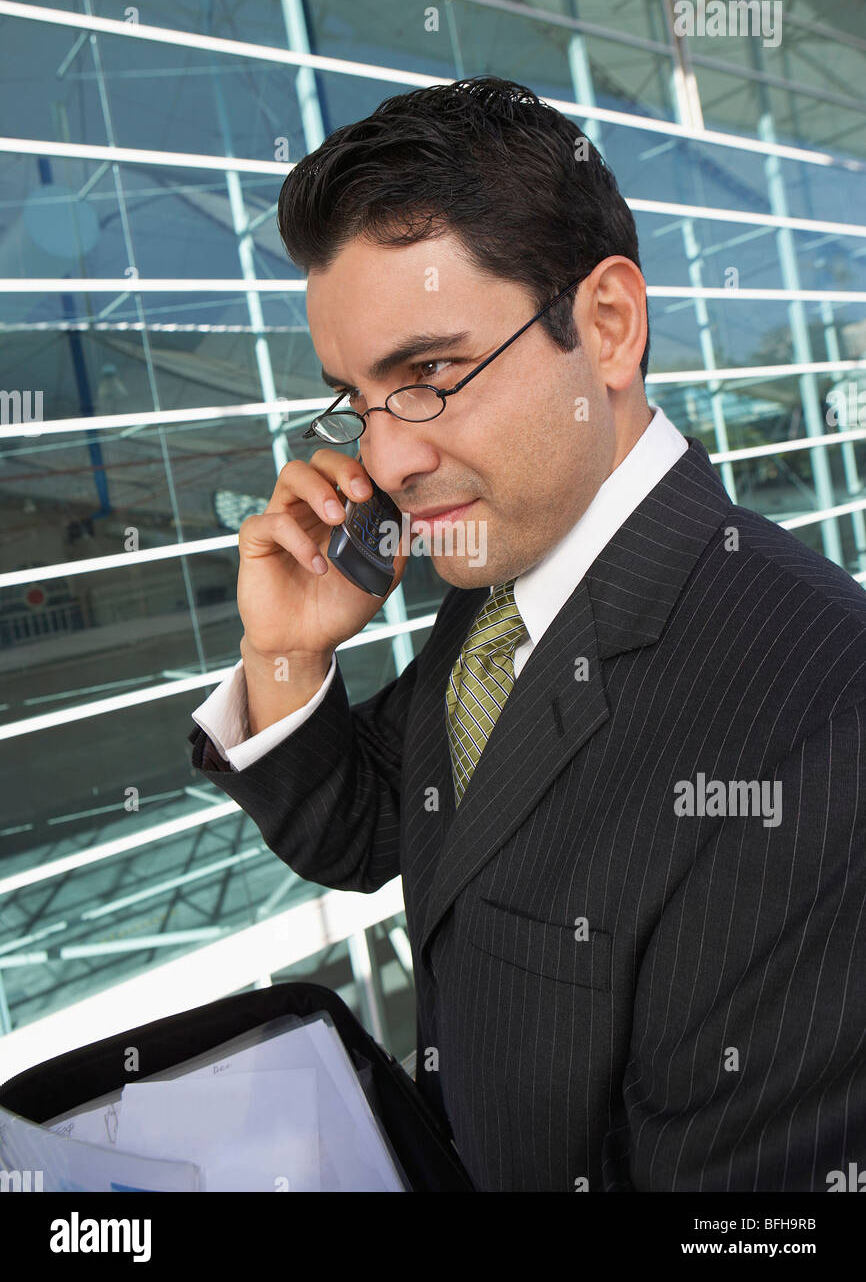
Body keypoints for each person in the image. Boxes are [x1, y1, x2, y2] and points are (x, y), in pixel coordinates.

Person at [188, 76, 866, 1192]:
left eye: (431, 374)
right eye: (358, 400)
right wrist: (289, 652)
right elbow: (374, 836)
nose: (388, 461)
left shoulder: (825, 732)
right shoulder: (504, 585)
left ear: (604, 326)